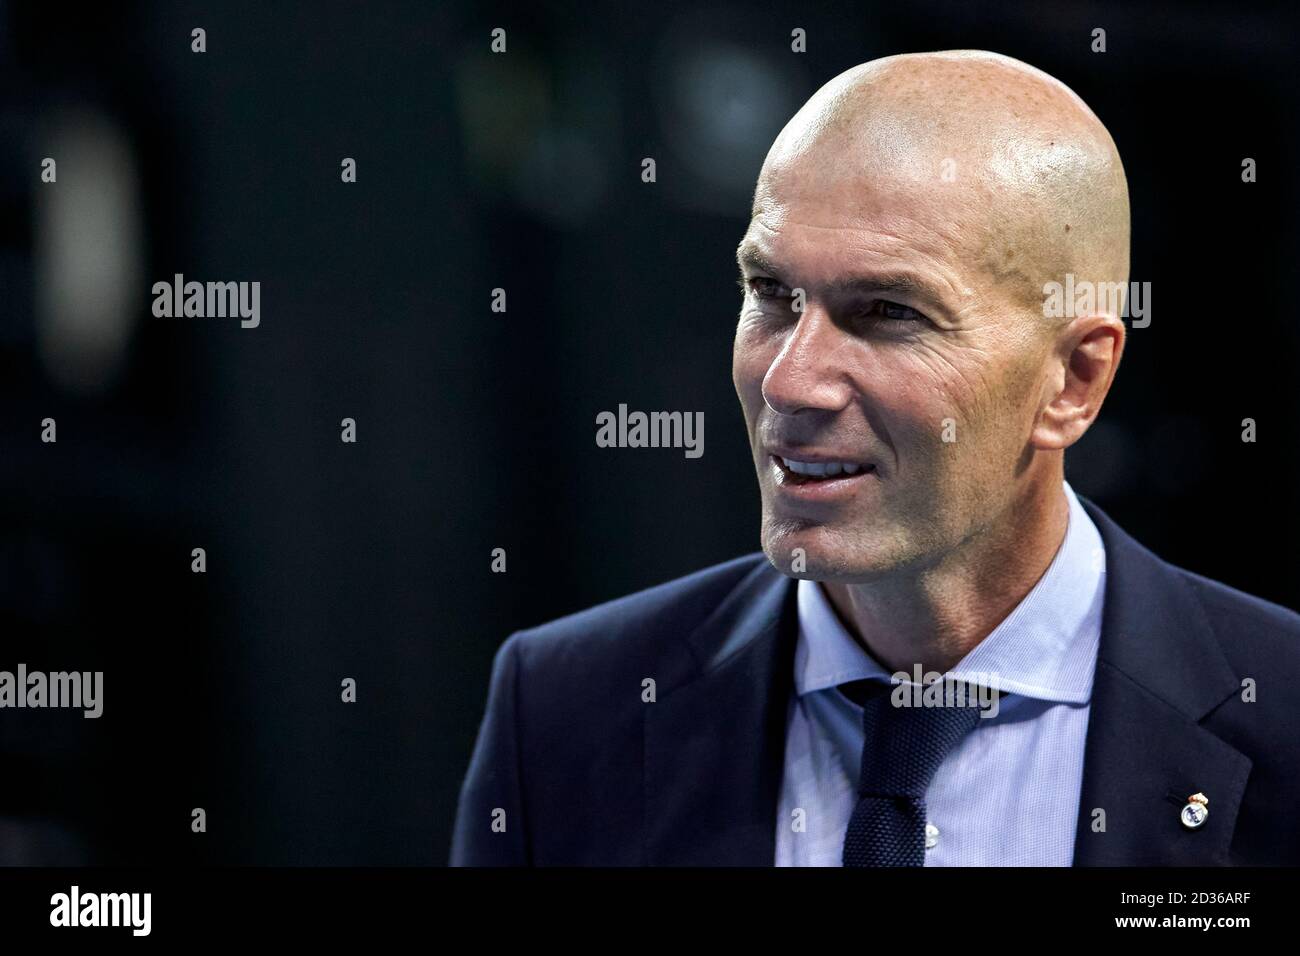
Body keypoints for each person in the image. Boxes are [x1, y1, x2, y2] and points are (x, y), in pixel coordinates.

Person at [450, 50, 1300, 866]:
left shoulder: (1281, 716)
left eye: (888, 311)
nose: (790, 382)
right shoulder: (566, 714)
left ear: (1072, 380)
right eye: (771, 295)